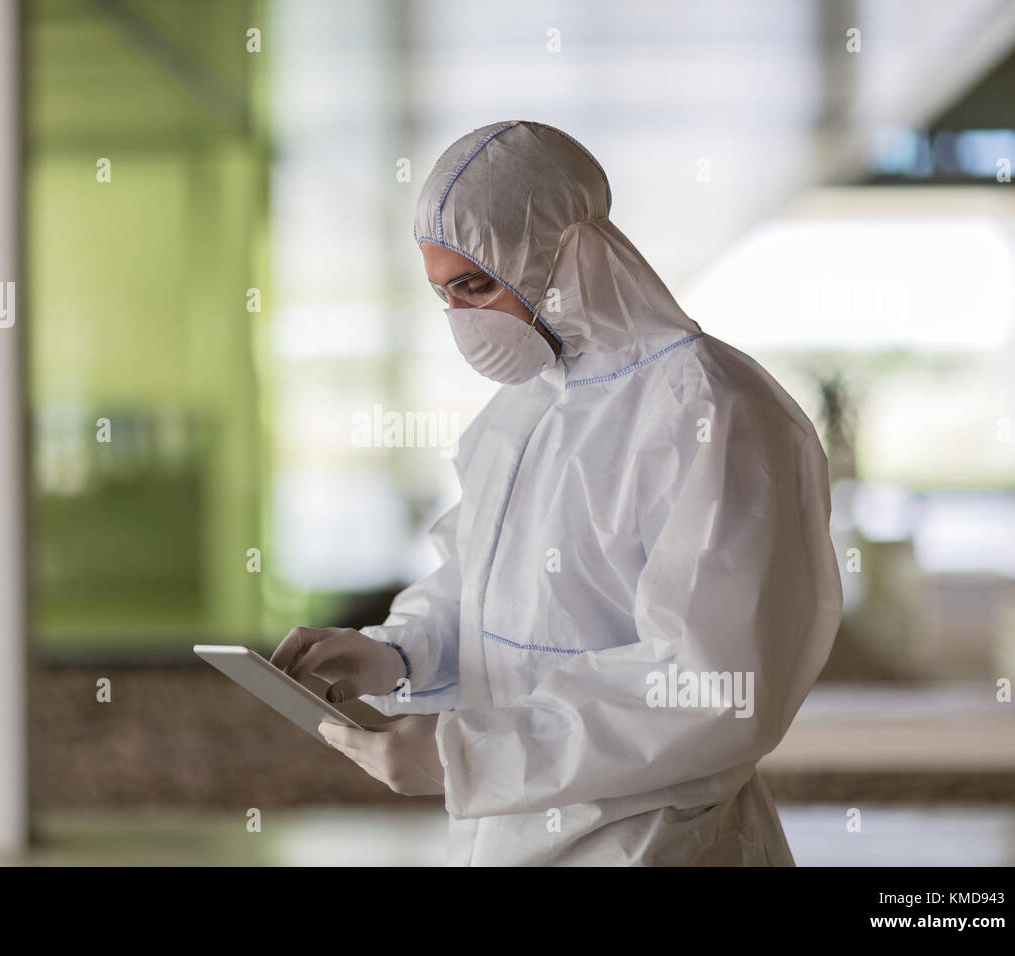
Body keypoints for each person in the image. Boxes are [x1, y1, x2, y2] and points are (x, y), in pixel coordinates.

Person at [271, 120, 843, 866]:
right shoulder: (526, 409)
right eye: (444, 294)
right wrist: (395, 656)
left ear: (560, 253)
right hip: (511, 833)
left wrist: (471, 758)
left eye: (476, 285)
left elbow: (708, 684)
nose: (463, 320)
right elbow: (477, 592)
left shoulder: (709, 410)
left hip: (654, 841)